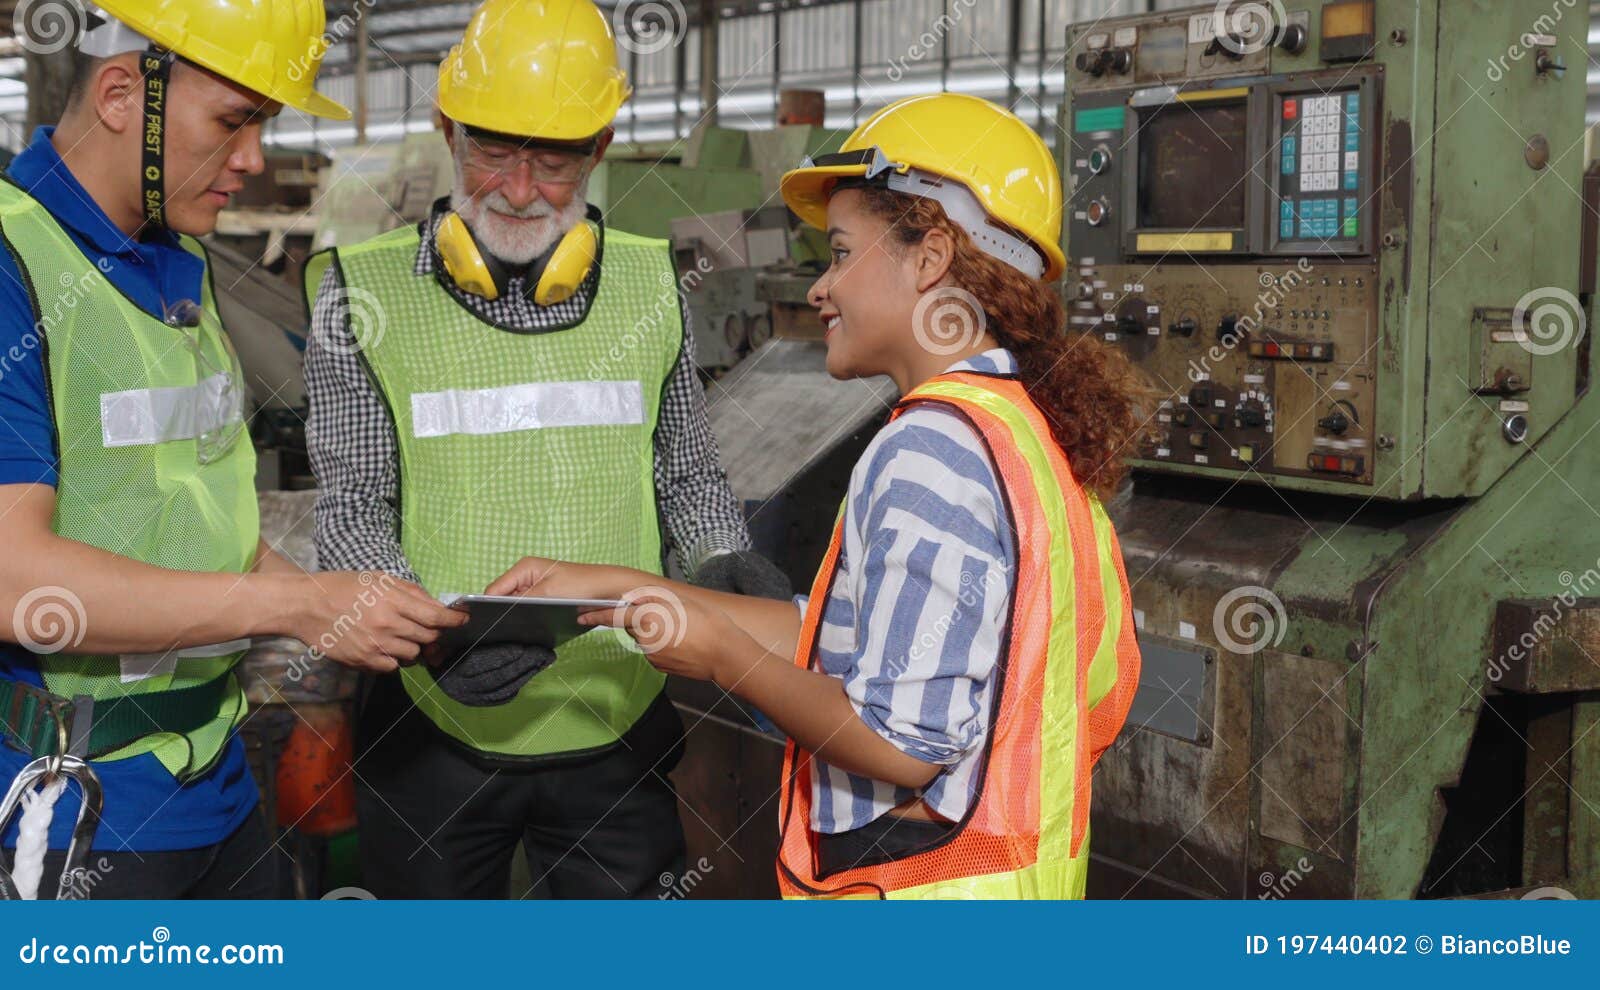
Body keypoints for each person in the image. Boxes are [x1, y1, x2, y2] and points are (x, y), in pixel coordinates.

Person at [487, 93, 1146, 899]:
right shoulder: (1020, 431)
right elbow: (845, 644)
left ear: (930, 257)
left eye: (838, 253)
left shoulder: (932, 447)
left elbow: (904, 744)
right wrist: (618, 586)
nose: (821, 288)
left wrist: (721, 656)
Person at [304, 0, 786, 900]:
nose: (518, 189)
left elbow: (682, 470)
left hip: (618, 716)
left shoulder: (652, 282)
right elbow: (353, 509)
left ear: (599, 148)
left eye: (554, 160)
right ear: (446, 127)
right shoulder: (357, 295)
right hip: (430, 729)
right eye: (491, 150)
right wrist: (428, 638)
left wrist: (720, 552)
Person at [0, 1, 466, 900]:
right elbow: (19, 579)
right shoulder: (15, 265)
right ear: (119, 95)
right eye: (233, 122)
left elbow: (189, 520)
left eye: (264, 125)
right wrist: (295, 606)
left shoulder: (176, 259)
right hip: (83, 800)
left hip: (214, 774)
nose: (254, 159)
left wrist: (360, 611)